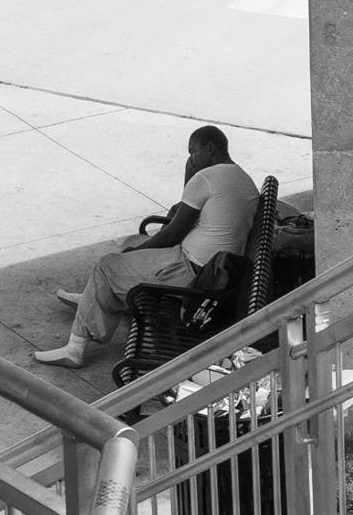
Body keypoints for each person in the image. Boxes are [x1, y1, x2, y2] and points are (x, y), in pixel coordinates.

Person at [33, 126, 262, 366]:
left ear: (210, 148)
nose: (190, 159)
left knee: (108, 265)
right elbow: (183, 212)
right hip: (215, 270)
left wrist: (137, 252)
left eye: (193, 152)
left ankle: (75, 348)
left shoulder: (206, 178)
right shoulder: (242, 178)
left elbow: (172, 232)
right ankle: (94, 300)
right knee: (133, 242)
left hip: (190, 271)